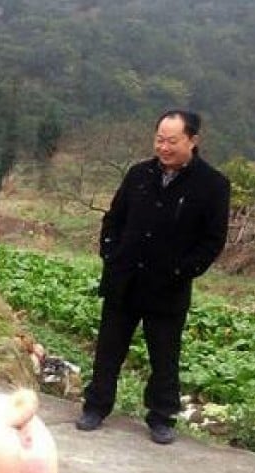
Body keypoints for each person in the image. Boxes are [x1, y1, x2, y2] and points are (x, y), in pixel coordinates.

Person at [76, 110, 230, 445]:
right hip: (124, 279)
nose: (163, 147)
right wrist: (111, 254)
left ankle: (161, 416)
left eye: (172, 141)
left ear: (193, 141)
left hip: (168, 287)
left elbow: (213, 241)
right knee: (108, 349)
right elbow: (113, 219)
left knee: (164, 355)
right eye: (159, 139)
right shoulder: (139, 174)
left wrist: (181, 271)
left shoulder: (212, 184)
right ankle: (96, 406)